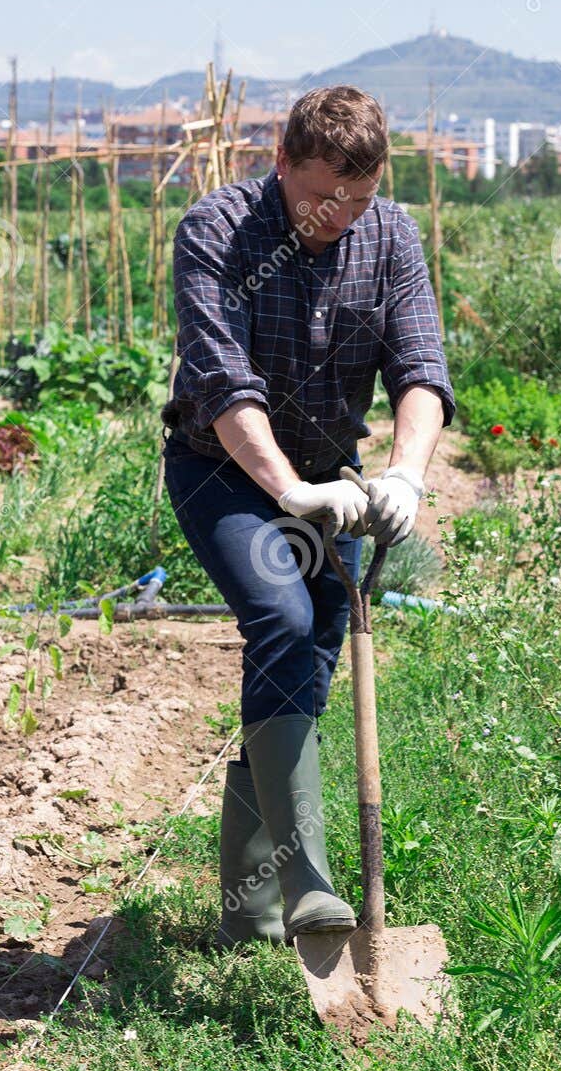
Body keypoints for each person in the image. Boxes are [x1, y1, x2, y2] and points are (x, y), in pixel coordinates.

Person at [161, 85, 453, 946]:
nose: (338, 217)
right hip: (223, 471)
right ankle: (308, 885)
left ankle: (244, 910)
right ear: (282, 162)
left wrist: (404, 475)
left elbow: (420, 369)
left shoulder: (391, 234)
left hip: (333, 475)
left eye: (356, 200)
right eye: (323, 197)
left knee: (316, 647)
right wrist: (288, 491)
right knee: (283, 619)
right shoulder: (216, 232)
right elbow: (222, 383)